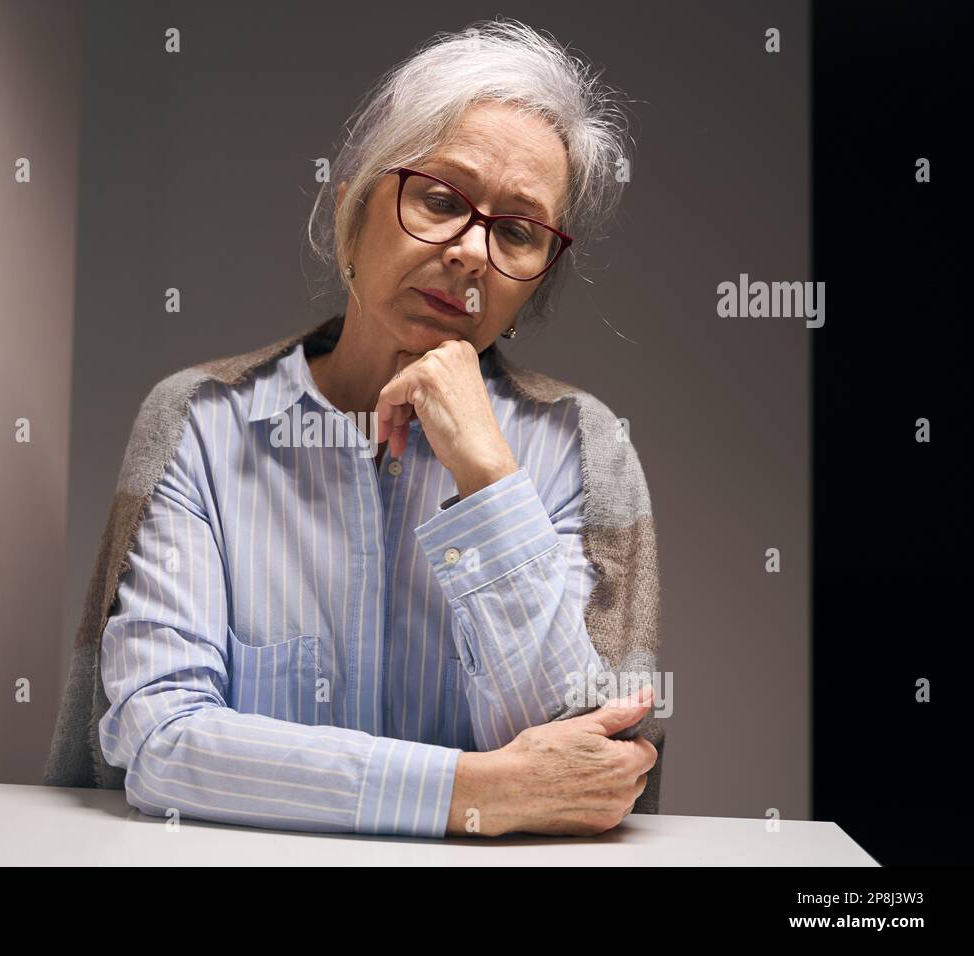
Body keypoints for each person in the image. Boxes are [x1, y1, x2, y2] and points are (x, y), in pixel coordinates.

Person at [96, 18, 659, 838]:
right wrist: (479, 793)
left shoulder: (584, 448)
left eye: (517, 231)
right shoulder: (202, 425)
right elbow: (162, 745)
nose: (472, 253)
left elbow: (582, 770)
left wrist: (491, 478)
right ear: (352, 216)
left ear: (536, 281)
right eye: (440, 198)